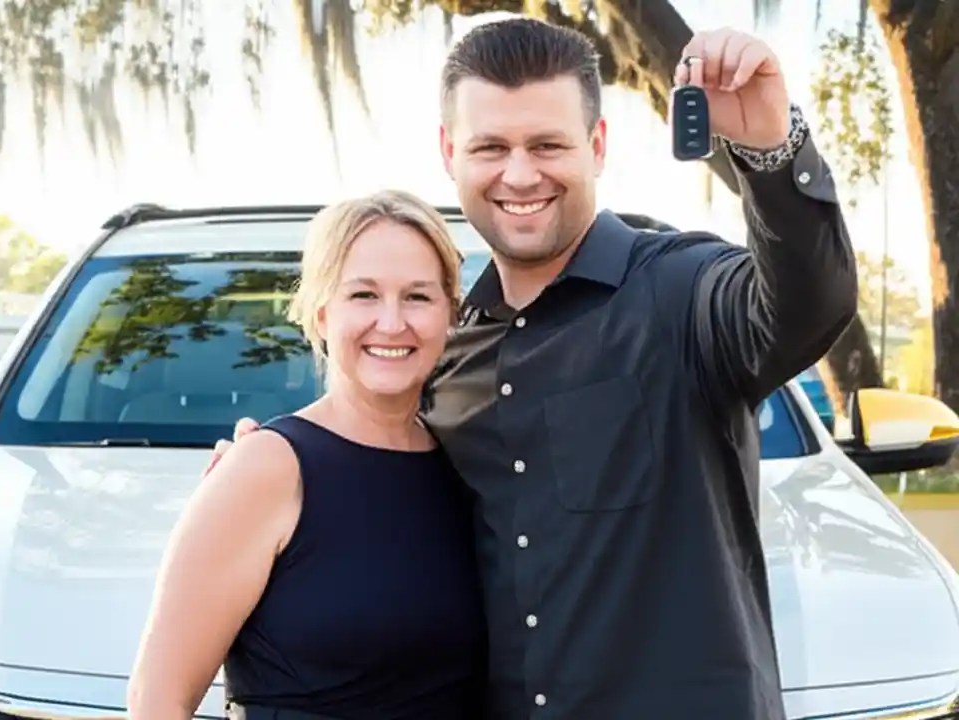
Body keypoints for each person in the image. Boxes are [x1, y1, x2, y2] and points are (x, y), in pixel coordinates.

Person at [202, 18, 857, 720]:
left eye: (547, 145)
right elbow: (379, 496)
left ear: (597, 147)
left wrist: (770, 147)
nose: (520, 175)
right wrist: (263, 477)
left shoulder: (682, 292)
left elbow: (806, 307)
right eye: (491, 147)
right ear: (451, 153)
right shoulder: (443, 360)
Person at [126, 190, 488, 720]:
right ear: (321, 314)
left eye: (417, 297)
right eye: (363, 296)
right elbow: (157, 701)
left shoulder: (464, 467)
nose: (392, 322)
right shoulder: (267, 468)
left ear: (450, 316)